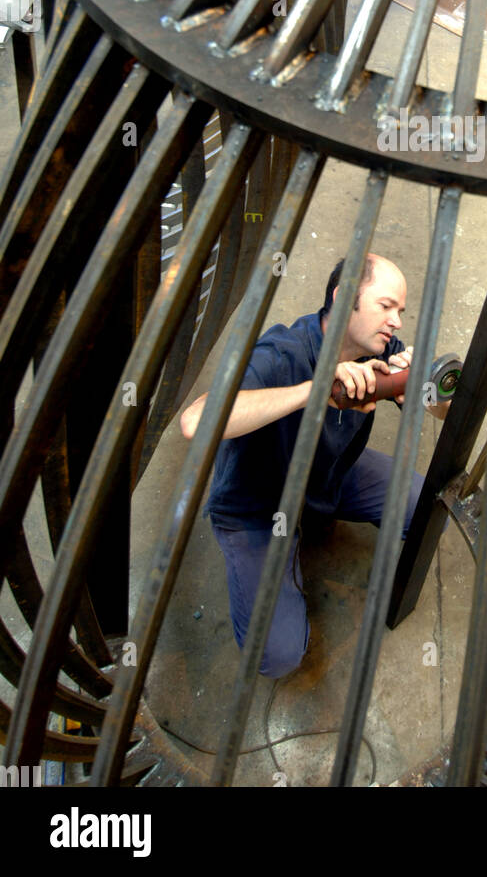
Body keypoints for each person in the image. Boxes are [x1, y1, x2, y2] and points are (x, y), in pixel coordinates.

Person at [179, 253, 449, 678]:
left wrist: (424, 388)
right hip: (258, 503)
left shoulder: (379, 349)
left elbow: (444, 413)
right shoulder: (282, 352)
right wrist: (314, 389)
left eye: (401, 311)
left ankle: (313, 518)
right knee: (279, 656)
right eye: (386, 307)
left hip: (331, 473)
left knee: (428, 507)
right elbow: (195, 421)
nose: (396, 321)